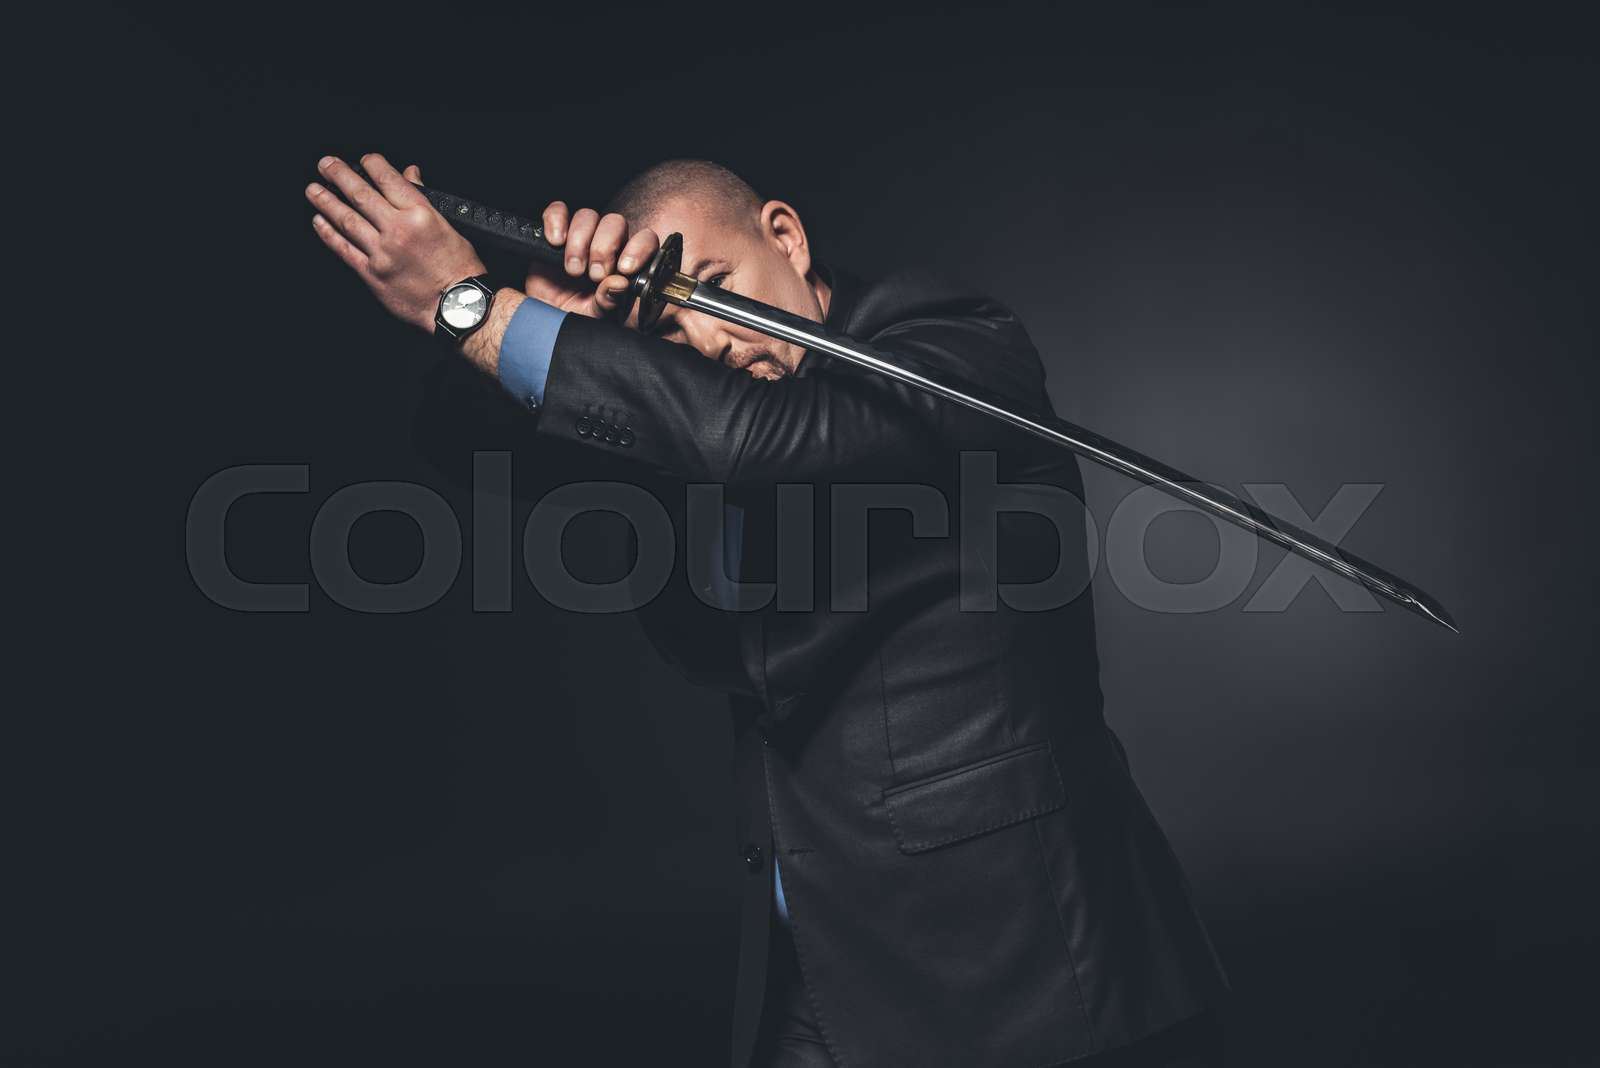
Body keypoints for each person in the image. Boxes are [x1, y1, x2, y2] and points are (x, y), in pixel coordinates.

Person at [305, 152, 1229, 1067]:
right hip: (822, 963)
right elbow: (466, 444)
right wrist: (558, 322)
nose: (708, 340)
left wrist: (465, 303)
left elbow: (763, 442)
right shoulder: (674, 410)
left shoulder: (955, 344)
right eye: (670, 327)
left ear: (784, 236)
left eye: (714, 287)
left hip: (1024, 973)